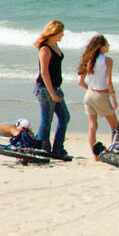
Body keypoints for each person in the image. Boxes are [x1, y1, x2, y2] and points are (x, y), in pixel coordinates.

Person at [76, 34, 119, 159]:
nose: (109, 46)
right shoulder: (107, 60)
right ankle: (113, 153)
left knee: (92, 126)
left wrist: (90, 90)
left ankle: (95, 156)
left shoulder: (88, 59)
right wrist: (114, 98)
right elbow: (109, 81)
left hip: (89, 94)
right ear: (101, 46)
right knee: (115, 127)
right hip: (101, 94)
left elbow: (80, 81)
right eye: (107, 44)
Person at [33, 20, 70, 158]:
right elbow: (44, 73)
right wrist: (51, 92)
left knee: (64, 116)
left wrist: (56, 91)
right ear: (53, 32)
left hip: (56, 88)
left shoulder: (55, 46)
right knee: (47, 120)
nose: (63, 35)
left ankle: (58, 148)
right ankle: (42, 147)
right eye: (61, 32)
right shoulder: (45, 49)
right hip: (45, 88)